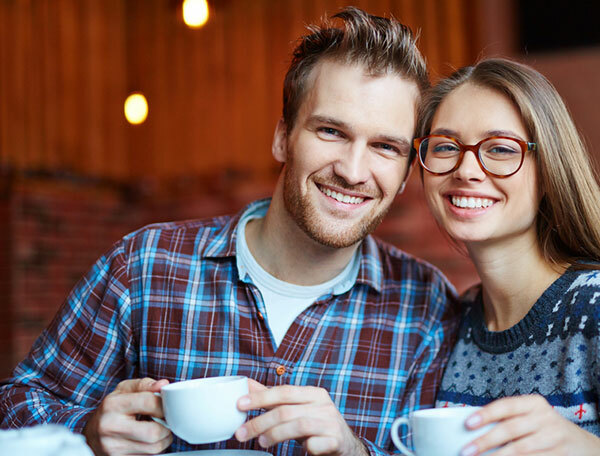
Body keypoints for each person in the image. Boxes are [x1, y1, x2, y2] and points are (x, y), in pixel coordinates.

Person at [0, 8, 460, 456]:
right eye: (331, 132)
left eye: (384, 146)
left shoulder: (428, 310)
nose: (353, 170)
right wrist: (87, 431)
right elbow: (15, 406)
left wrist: (355, 451)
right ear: (283, 137)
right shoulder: (144, 265)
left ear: (404, 175)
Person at [414, 58, 600, 455]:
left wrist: (586, 449)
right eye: (445, 146)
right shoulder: (451, 322)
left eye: (499, 148)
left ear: (548, 172)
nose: (466, 169)